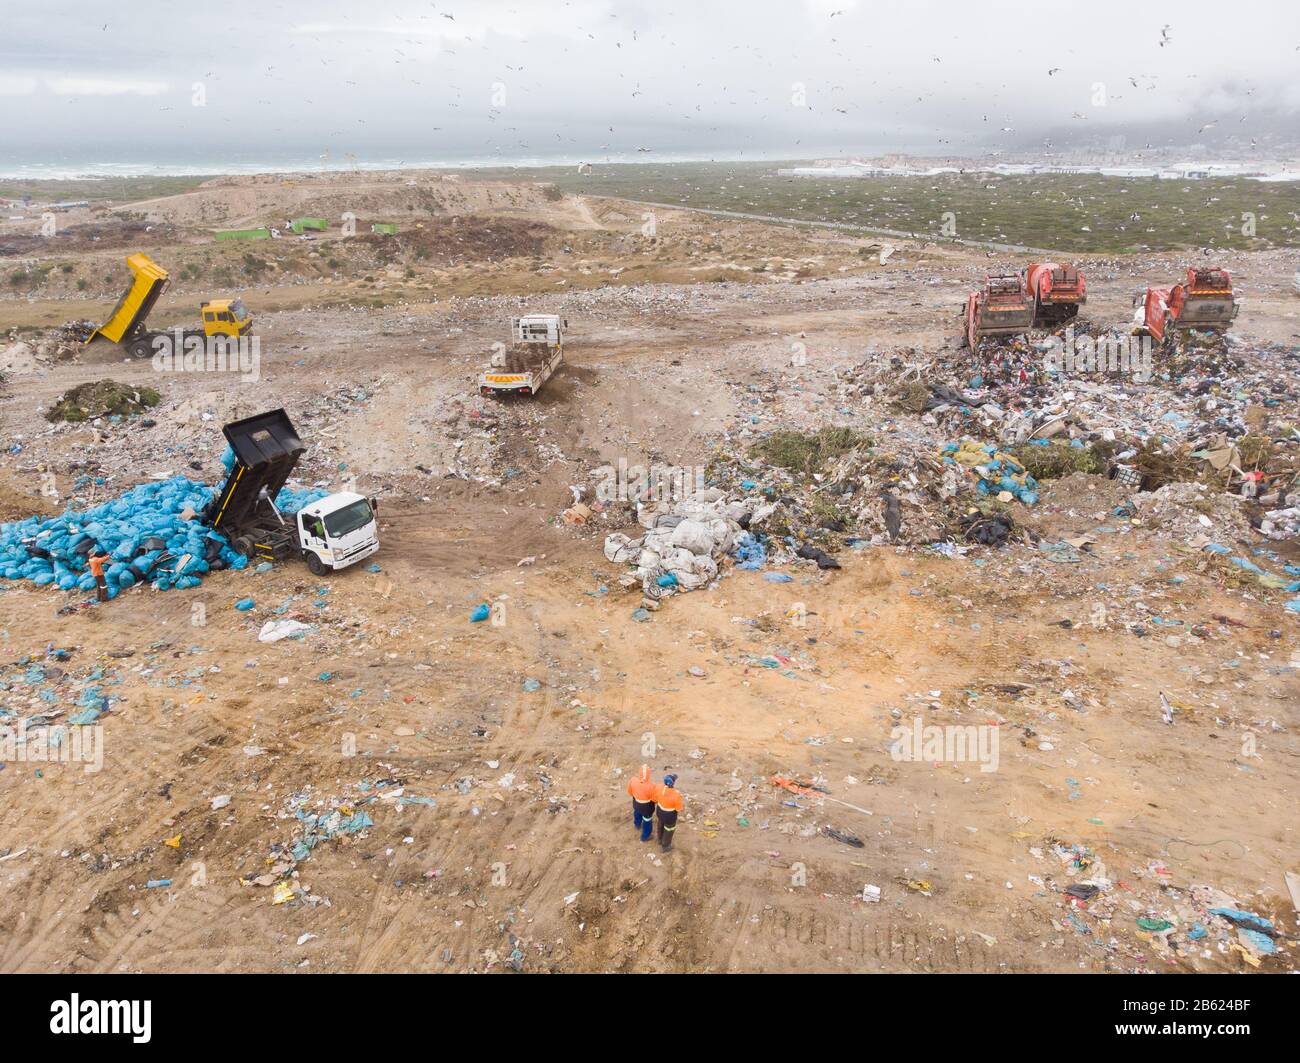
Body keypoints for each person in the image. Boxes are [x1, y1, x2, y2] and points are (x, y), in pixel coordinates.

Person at [627, 764, 658, 843]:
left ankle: (637, 825)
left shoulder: (633, 780)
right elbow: (654, 799)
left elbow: (630, 792)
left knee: (637, 813)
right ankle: (645, 836)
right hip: (647, 807)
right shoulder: (652, 786)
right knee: (647, 820)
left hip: (636, 804)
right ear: (649, 775)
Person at [655, 774, 684, 851]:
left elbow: (655, 798)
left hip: (659, 812)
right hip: (669, 816)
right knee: (669, 829)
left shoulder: (659, 787)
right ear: (673, 783)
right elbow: (679, 809)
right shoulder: (676, 795)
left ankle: (659, 839)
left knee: (660, 824)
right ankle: (666, 845)